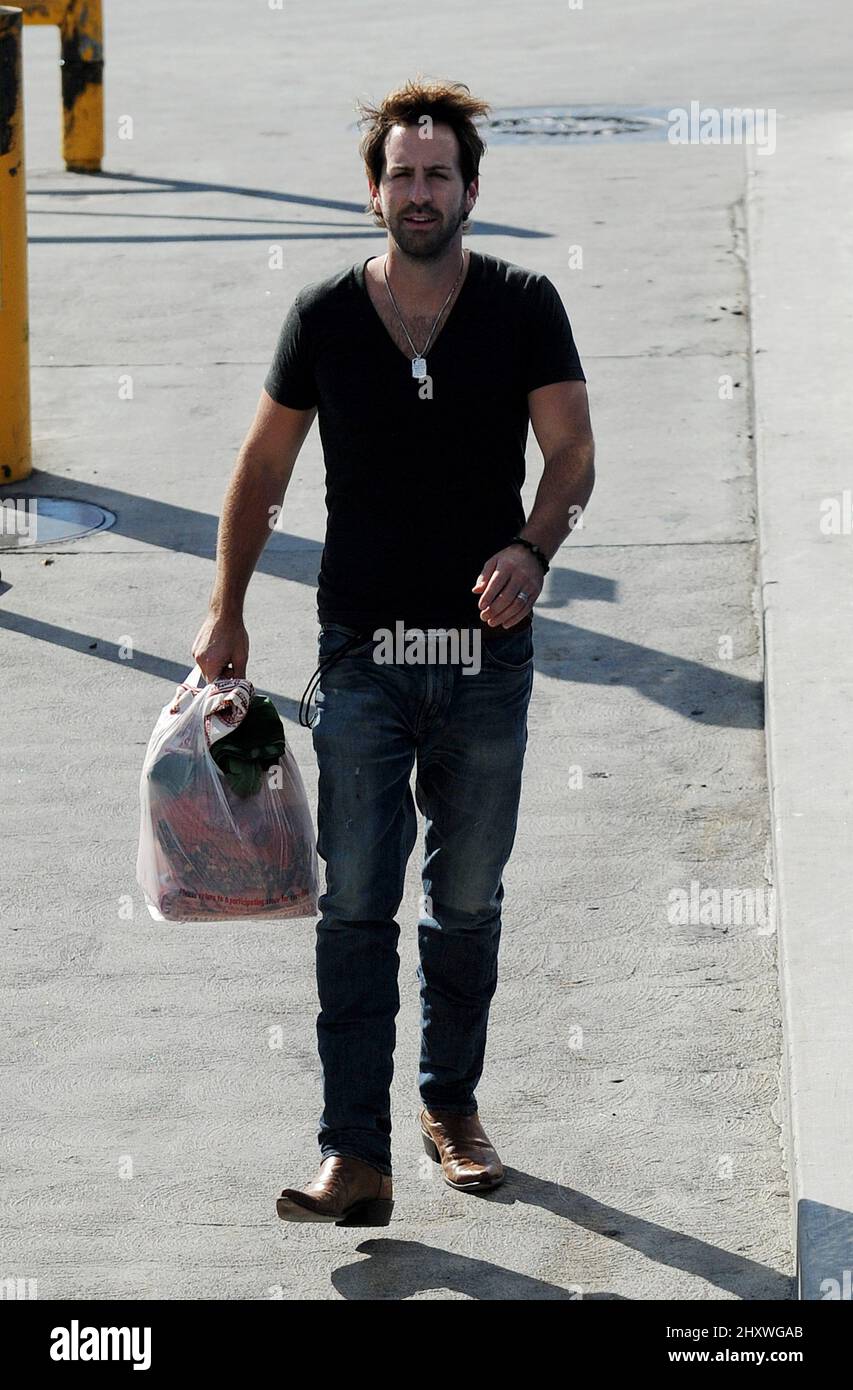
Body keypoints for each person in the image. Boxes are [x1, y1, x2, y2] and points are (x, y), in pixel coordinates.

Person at [192, 77, 595, 1226]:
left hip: (484, 654)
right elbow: (262, 468)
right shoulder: (324, 315)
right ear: (373, 193)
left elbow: (570, 452)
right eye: (402, 175)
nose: (420, 192)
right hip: (362, 652)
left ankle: (449, 1105)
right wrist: (225, 607)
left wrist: (531, 547)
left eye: (438, 174)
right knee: (356, 902)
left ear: (470, 189)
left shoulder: (522, 305)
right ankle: (352, 1153)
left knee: (464, 899)